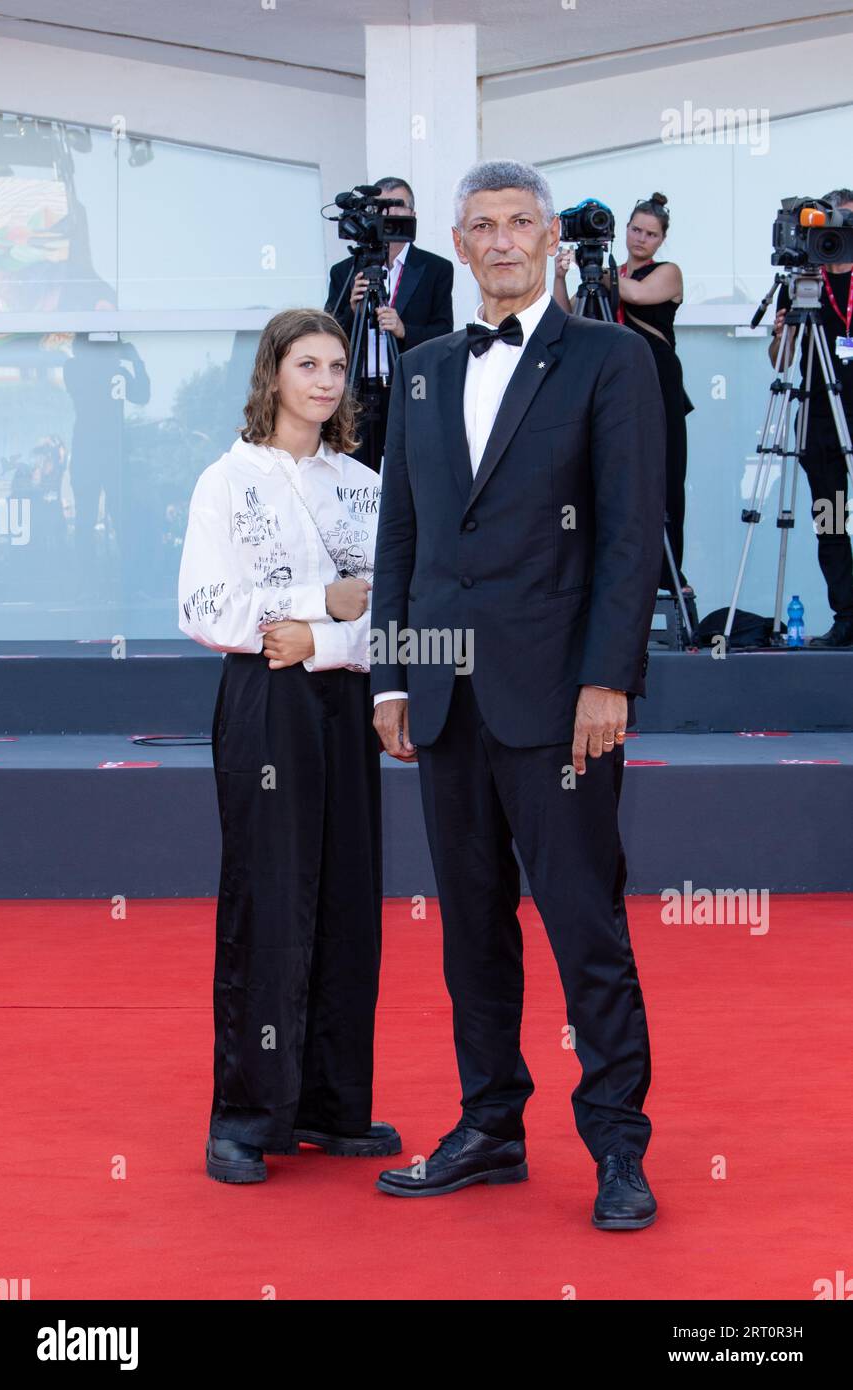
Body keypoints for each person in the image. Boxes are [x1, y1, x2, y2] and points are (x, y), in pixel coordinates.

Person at [370, 160, 666, 1229]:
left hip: (559, 697)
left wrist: (606, 679)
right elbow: (400, 533)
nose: (499, 240)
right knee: (469, 930)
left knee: (585, 925)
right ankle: (488, 1124)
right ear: (457, 240)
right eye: (480, 224)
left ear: (547, 238)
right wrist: (392, 679)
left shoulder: (608, 359)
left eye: (518, 222)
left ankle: (617, 1146)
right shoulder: (420, 371)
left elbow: (629, 536)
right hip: (443, 694)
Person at [177, 307, 400, 1183]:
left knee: (349, 898)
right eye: (307, 364)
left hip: (343, 698)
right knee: (269, 902)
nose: (326, 381)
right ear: (272, 374)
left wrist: (325, 639)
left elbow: (391, 608)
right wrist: (318, 602)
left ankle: (334, 1106)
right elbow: (201, 611)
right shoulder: (225, 483)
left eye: (338, 366)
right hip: (265, 701)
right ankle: (244, 1114)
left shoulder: (364, 484)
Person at [554, 191, 692, 596]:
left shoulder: (667, 272)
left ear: (661, 239)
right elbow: (564, 318)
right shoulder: (601, 277)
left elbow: (637, 295)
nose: (641, 239)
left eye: (650, 233)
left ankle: (667, 572)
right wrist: (563, 275)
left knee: (664, 474)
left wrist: (592, 267)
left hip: (658, 383)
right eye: (635, 229)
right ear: (625, 229)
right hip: (610, 386)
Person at [770, 188, 853, 647]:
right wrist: (782, 332)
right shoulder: (803, 280)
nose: (841, 232)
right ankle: (848, 616)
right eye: (834, 223)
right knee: (832, 521)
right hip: (820, 419)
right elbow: (780, 361)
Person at [325, 177, 454, 470]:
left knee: (410, 476)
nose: (390, 217)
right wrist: (351, 309)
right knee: (354, 482)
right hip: (357, 393)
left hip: (407, 390)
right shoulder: (345, 271)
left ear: (413, 215)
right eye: (382, 208)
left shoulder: (436, 269)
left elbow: (444, 335)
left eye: (399, 208)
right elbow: (326, 335)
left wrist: (403, 329)